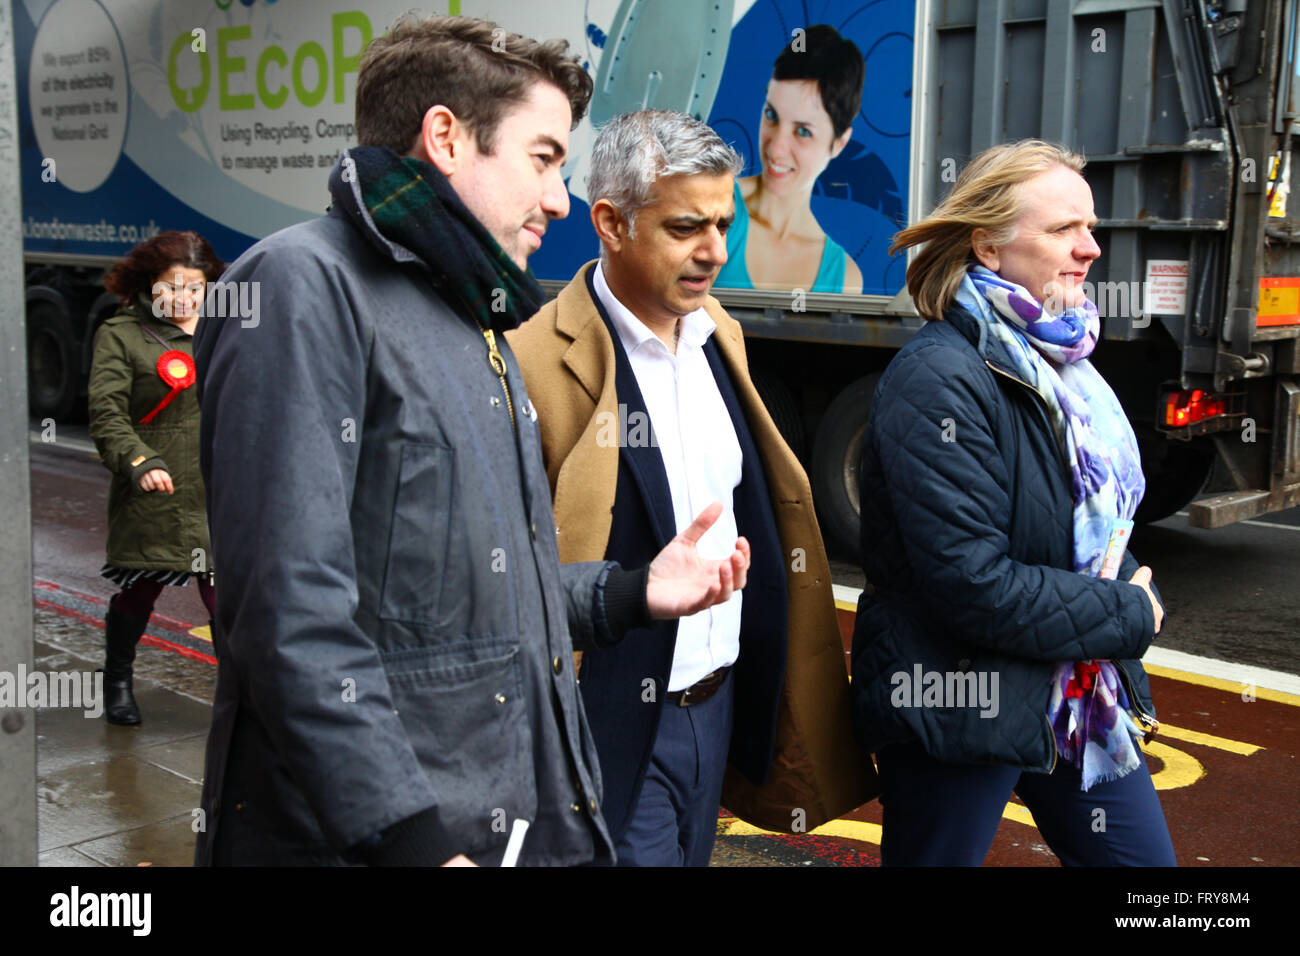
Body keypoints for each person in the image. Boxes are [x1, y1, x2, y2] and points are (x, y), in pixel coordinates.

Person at [192, 15, 749, 868]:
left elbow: (463, 603)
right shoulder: (298, 288)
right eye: (544, 157)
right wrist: (410, 840)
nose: (561, 199)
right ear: (446, 138)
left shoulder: (473, 316)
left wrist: (634, 592)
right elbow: (288, 614)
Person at [508, 109, 876, 866]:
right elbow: (502, 578)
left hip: (719, 707)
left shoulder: (719, 331)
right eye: (685, 228)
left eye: (723, 221)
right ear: (610, 222)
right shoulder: (530, 364)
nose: (716, 251)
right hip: (608, 721)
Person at [851, 140, 1176, 866]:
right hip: (961, 700)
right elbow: (973, 584)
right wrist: (1127, 612)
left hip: (1075, 691)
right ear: (988, 248)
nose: (1090, 249)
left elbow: (1081, 525)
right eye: (1065, 230)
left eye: (1090, 228)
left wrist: (1119, 580)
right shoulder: (939, 378)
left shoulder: (1067, 367)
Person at [89, 231, 224, 726]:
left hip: (216, 487)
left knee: (225, 600)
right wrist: (139, 462)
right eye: (173, 288)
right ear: (150, 284)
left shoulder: (228, 328)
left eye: (195, 288)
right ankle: (118, 680)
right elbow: (105, 413)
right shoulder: (121, 334)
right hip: (155, 489)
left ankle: (241, 698)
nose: (184, 299)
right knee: (139, 590)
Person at [715, 23, 864, 295]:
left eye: (803, 131)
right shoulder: (712, 205)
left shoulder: (843, 278)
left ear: (839, 144)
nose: (776, 148)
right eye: (771, 116)